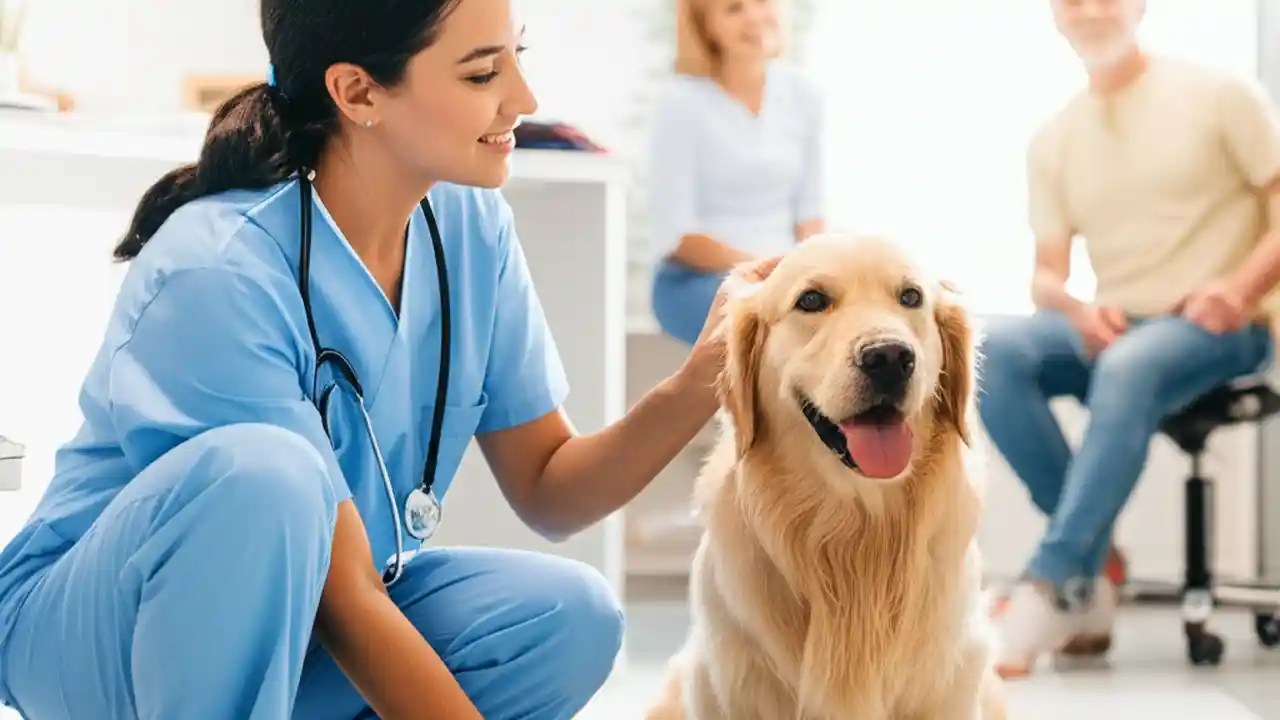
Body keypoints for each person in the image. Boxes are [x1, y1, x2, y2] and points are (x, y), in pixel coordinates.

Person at [0, 1, 772, 718]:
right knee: (270, 475)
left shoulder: (471, 227)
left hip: (307, 620)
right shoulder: (217, 271)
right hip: (100, 635)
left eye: (516, 58)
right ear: (359, 93)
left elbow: (550, 487)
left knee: (568, 619)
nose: (524, 98)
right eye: (482, 73)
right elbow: (346, 600)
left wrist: (702, 376)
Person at [981, 0, 1280, 678]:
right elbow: (1046, 276)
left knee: (1130, 366)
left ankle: (1053, 582)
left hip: (1224, 326)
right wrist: (1077, 309)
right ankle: (1097, 562)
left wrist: (1236, 289)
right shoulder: (1055, 139)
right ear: (1056, 16)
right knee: (993, 350)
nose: (1088, 9)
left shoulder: (1219, 96)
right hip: (1123, 328)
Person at [647, 0, 825, 345]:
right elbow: (678, 236)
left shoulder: (803, 95)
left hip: (787, 274)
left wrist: (804, 274)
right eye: (734, 8)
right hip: (696, 278)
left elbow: (811, 216)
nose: (754, 17)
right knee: (770, 326)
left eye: (761, 2)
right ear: (705, 25)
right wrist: (768, 270)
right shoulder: (680, 103)